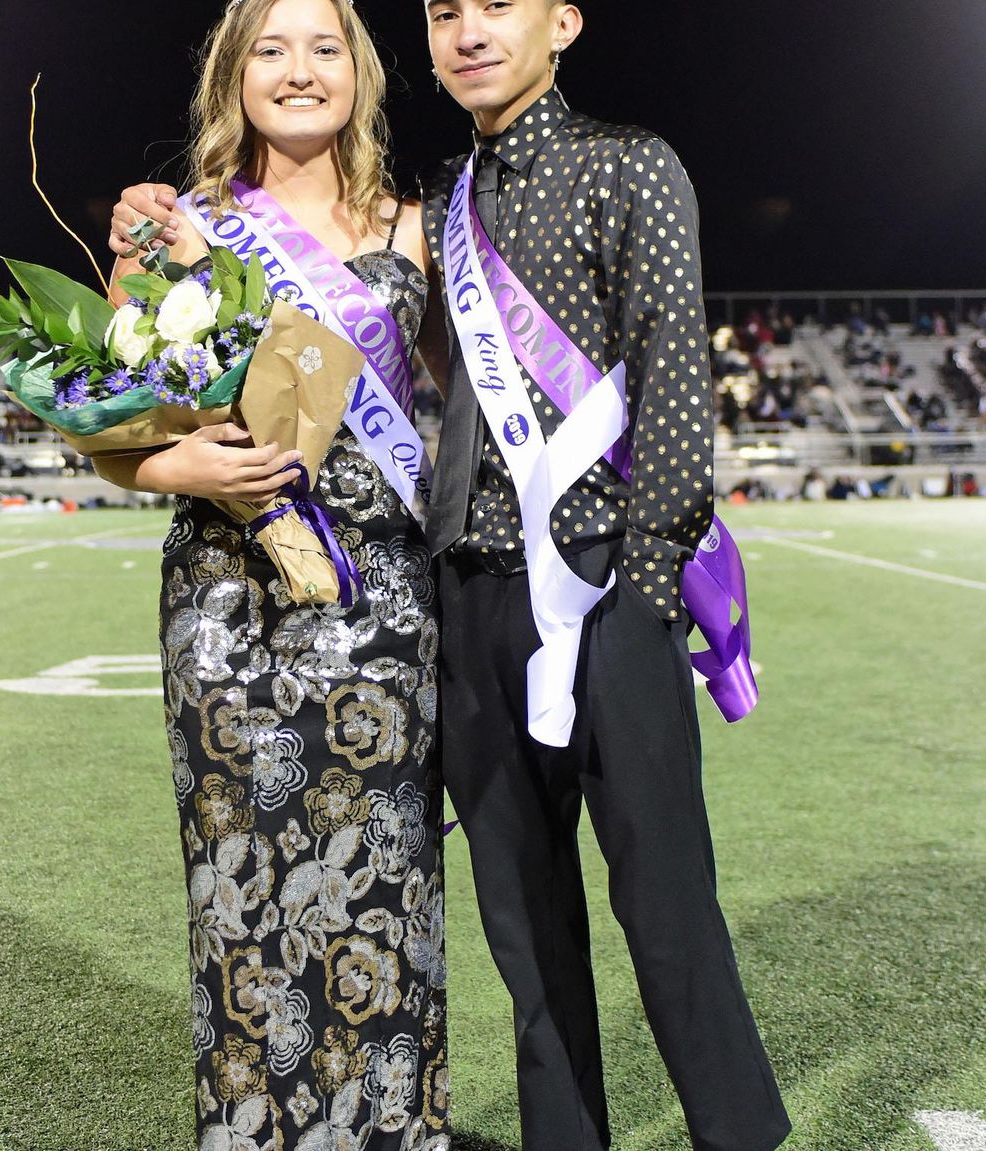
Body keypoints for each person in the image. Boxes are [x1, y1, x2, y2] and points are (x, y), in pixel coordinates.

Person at [419, 3, 790, 1150]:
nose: (469, 32)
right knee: (525, 928)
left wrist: (642, 593)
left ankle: (738, 1133)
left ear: (563, 21)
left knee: (666, 905)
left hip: (607, 585)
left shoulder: (631, 167)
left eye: (497, 6)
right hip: (472, 595)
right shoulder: (441, 206)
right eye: (443, 12)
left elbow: (678, 391)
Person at [100, 2, 449, 1148]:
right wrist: (177, 462)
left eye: (325, 47)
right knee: (238, 892)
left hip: (382, 604)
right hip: (226, 600)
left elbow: (465, 421)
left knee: (385, 886)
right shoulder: (175, 227)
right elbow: (112, 428)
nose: (300, 72)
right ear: (232, 74)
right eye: (271, 49)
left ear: (360, 71)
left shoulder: (419, 228)